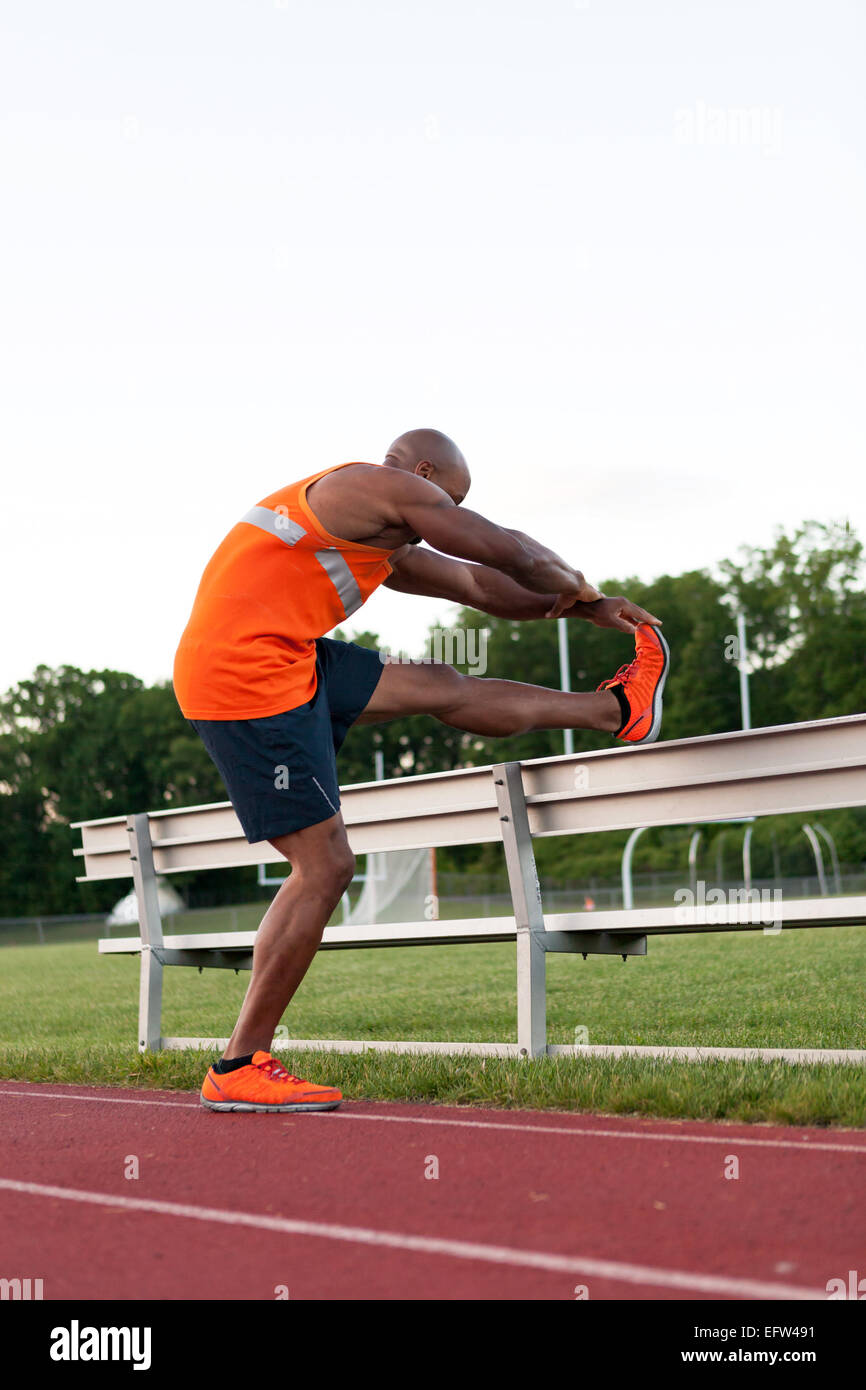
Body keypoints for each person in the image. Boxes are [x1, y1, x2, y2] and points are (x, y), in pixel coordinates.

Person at [173, 428, 669, 1112]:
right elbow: (506, 549)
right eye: (447, 498)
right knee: (325, 868)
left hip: (287, 657)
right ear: (425, 473)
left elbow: (479, 584)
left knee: (438, 683)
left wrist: (587, 610)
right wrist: (578, 583)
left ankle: (617, 711)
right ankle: (238, 1063)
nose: (442, 513)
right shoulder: (373, 486)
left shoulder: (377, 537)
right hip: (247, 677)